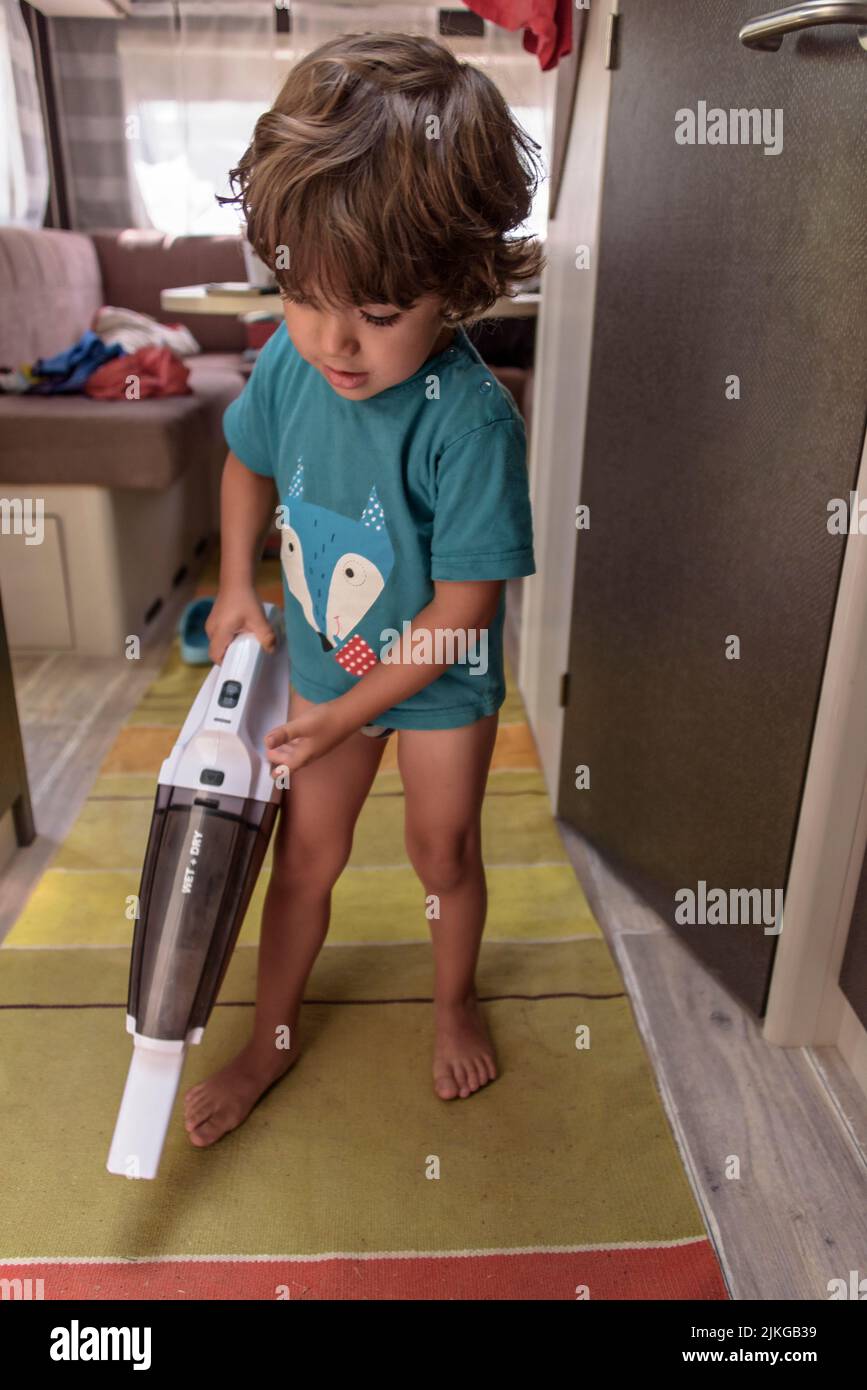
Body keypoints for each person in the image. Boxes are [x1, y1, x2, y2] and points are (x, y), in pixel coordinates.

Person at [183, 30, 543, 1148]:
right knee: (305, 855)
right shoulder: (293, 360)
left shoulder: (472, 423)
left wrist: (346, 710)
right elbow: (244, 454)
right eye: (306, 298)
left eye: (381, 315)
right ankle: (267, 1041)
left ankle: (452, 1000)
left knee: (443, 852)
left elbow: (463, 611)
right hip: (330, 662)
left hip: (434, 678)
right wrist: (238, 583)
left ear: (460, 283)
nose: (336, 342)